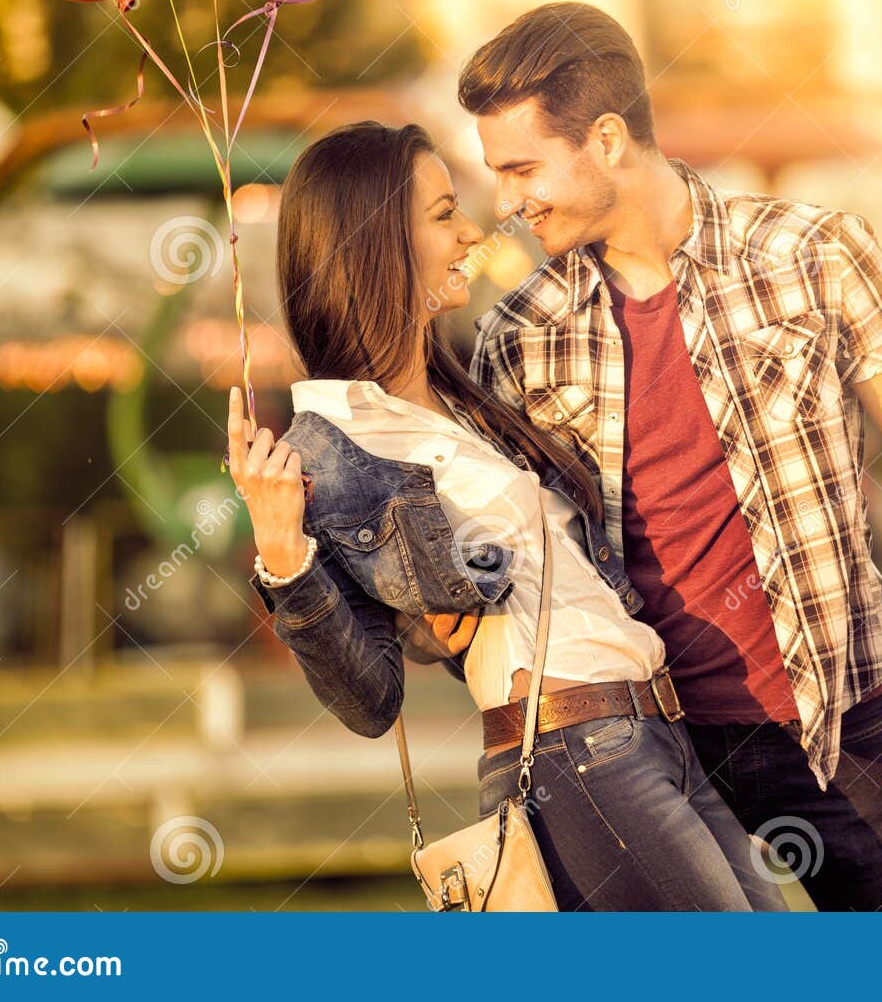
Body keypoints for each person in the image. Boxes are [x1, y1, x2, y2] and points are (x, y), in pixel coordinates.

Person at [455, 2, 882, 911]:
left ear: (610, 140)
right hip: (644, 749)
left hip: (839, 719)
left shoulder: (816, 255)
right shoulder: (519, 336)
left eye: (522, 168)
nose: (507, 202)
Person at [228, 119, 786, 912]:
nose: (471, 231)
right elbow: (369, 699)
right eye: (444, 214)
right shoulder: (330, 455)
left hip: (656, 727)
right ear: (378, 242)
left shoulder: (470, 398)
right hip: (575, 750)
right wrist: (284, 558)